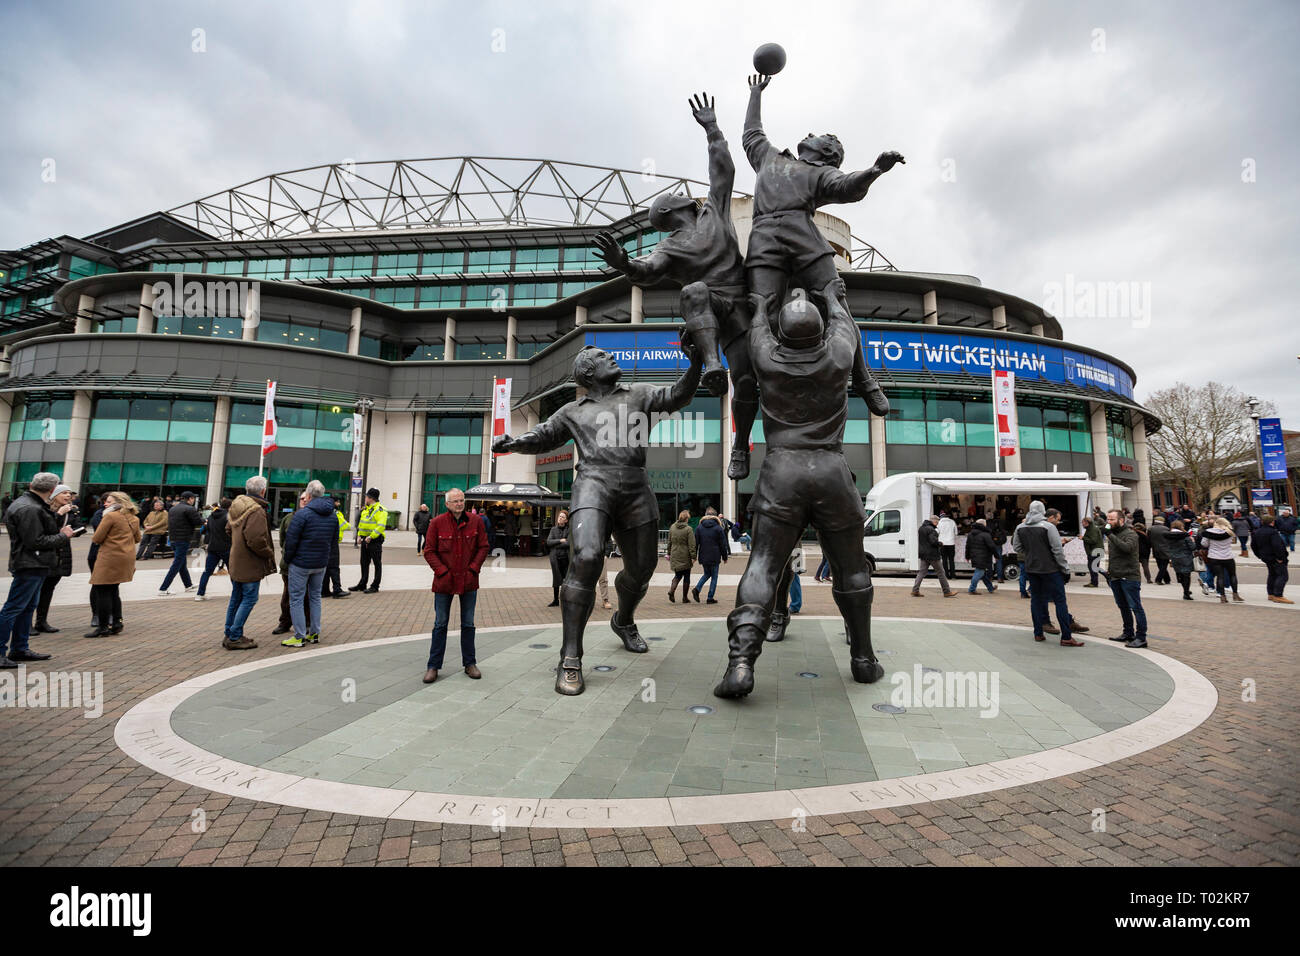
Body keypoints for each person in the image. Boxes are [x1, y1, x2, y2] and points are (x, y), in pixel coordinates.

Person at [492, 342, 704, 695]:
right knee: (587, 557)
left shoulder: (639, 393)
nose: (613, 357)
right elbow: (543, 436)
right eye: (604, 357)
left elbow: (678, 395)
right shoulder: (573, 410)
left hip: (635, 485)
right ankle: (570, 657)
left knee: (643, 567)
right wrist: (514, 442)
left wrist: (696, 361)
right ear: (588, 372)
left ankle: (623, 620)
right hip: (593, 483)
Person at [713, 281, 887, 700]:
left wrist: (761, 304)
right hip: (832, 470)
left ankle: (740, 663)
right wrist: (830, 295)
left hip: (781, 471)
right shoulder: (839, 354)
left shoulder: (767, 358)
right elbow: (845, 320)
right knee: (851, 567)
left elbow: (756, 324)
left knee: (763, 566)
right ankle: (863, 658)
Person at [594, 92, 758, 480]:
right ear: (669, 210)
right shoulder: (669, 246)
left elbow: (724, 171)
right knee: (742, 376)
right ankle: (724, 397)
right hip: (721, 313)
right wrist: (623, 263)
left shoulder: (715, 210)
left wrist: (713, 128)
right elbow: (647, 271)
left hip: (751, 295)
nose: (686, 194)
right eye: (677, 196)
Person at [740, 71, 900, 417]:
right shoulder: (770, 158)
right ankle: (757, 387)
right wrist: (756, 93)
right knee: (760, 311)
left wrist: (875, 170)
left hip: (803, 235)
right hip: (764, 239)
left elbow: (848, 187)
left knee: (835, 302)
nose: (810, 134)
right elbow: (751, 133)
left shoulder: (823, 173)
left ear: (826, 152)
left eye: (820, 136)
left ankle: (863, 378)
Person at [1, 473, 75, 667]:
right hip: (31, 563)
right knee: (15, 608)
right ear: (52, 490)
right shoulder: (30, 508)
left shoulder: (28, 504)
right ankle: (4, 650)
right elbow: (36, 541)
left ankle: (19, 647)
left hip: (33, 563)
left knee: (25, 608)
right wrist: (63, 536)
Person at [422, 487, 489, 683]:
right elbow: (429, 551)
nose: (460, 503)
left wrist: (474, 569)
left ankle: (470, 663)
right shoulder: (436, 523)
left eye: (462, 500)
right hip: (444, 582)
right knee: (440, 624)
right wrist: (442, 571)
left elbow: (483, 547)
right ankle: (433, 666)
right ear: (447, 504)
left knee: (468, 623)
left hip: (468, 581)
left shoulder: (476, 522)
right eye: (456, 501)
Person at [1012, 500, 1083, 647]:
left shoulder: (1020, 527)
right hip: (1050, 569)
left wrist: (1031, 554)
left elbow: (1017, 547)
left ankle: (1038, 633)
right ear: (1043, 511)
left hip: (1032, 568)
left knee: (1036, 601)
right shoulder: (1049, 527)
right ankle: (1066, 636)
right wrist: (1065, 568)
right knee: (1060, 601)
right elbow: (1057, 550)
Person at [282, 480, 337, 648]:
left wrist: (288, 559)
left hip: (300, 563)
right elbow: (333, 541)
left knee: (296, 599)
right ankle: (314, 632)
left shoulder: (302, 515)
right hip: (320, 562)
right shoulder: (333, 515)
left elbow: (290, 542)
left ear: (309, 495)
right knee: (315, 597)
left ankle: (299, 636)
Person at [224, 475, 275, 650]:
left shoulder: (236, 506)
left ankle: (229, 633)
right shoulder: (256, 511)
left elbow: (228, 529)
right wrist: (268, 553)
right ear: (263, 491)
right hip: (250, 563)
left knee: (236, 598)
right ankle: (235, 636)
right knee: (249, 598)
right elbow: (256, 540)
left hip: (236, 560)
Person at [84, 492, 141, 638]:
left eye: (108, 502)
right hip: (126, 557)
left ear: (118, 502)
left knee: (102, 589)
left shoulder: (110, 516)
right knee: (114, 590)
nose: (105, 504)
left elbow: (97, 538)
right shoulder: (134, 518)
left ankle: (103, 627)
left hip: (109, 557)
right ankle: (117, 622)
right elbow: (137, 538)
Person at [34, 483, 82, 633]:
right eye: (64, 493)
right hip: (45, 552)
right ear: (54, 496)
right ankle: (25, 623)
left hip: (61, 552)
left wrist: (74, 531)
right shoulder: (44, 510)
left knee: (49, 589)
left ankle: (41, 621)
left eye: (69, 494)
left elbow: (78, 526)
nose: (68, 496)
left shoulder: (71, 511)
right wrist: (59, 514)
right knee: (35, 590)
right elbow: (42, 529)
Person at [1103, 509, 1148, 648]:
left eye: (1112, 520)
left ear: (1121, 520)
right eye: (1108, 519)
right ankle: (1128, 632)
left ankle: (1141, 637)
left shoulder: (1130, 534)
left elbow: (1127, 548)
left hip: (1129, 576)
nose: (1108, 522)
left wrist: (1110, 535)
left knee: (1136, 607)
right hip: (1115, 576)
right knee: (1123, 606)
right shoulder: (1113, 534)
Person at [158, 491, 202, 595]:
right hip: (183, 539)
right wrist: (205, 521)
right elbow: (198, 522)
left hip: (173, 539)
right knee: (177, 564)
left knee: (182, 563)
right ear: (190, 499)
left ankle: (188, 585)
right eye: (193, 499)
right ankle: (163, 588)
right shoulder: (190, 509)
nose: (193, 501)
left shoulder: (173, 509)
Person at [348, 489, 387, 593]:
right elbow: (362, 523)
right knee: (364, 563)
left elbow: (381, 526)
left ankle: (375, 586)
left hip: (375, 540)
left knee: (377, 563)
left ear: (371, 498)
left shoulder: (380, 510)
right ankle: (362, 584)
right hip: (365, 539)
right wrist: (359, 535)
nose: (365, 498)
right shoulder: (366, 509)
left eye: (366, 497)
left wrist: (371, 536)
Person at [1199, 516, 1243, 604]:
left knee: (1220, 576)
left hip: (1214, 556)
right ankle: (1235, 595)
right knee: (1232, 575)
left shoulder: (1208, 532)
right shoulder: (1229, 532)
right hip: (1228, 556)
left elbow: (1204, 544)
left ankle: (1222, 596)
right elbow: (1232, 542)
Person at [194, 497, 231, 601]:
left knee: (207, 571)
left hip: (212, 547)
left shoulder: (211, 516)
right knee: (233, 572)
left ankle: (200, 594)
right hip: (226, 547)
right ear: (230, 507)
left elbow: (204, 530)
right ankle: (237, 594)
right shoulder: (228, 516)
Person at [692, 507, 730, 604]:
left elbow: (696, 543)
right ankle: (710, 597)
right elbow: (723, 544)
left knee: (707, 574)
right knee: (714, 576)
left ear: (705, 515)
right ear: (715, 516)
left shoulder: (699, 527)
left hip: (703, 555)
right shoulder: (718, 528)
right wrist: (725, 557)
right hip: (715, 555)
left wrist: (694, 556)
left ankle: (697, 589)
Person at [1252, 514, 1292, 604]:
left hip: (1266, 557)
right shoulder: (1273, 532)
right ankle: (1278, 595)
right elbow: (1277, 546)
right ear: (1272, 522)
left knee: (1272, 575)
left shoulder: (1256, 532)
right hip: (1275, 557)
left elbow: (1253, 545)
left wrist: (1259, 555)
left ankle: (1271, 594)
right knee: (1283, 576)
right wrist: (1280, 557)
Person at [912, 515, 956, 598]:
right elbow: (933, 541)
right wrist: (940, 543)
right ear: (934, 521)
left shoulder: (921, 528)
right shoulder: (932, 530)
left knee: (921, 572)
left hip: (923, 554)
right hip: (932, 555)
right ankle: (947, 591)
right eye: (937, 522)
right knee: (941, 573)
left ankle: (915, 590)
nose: (937, 524)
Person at [321, 498, 351, 599]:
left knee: (326, 567)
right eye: (338, 502)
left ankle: (324, 590)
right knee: (334, 567)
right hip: (333, 543)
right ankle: (337, 590)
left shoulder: (321, 512)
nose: (339, 503)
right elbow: (346, 526)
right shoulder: (335, 514)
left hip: (324, 543)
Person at [667, 510, 697, 602]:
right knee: (687, 576)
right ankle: (685, 597)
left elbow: (669, 542)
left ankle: (672, 590)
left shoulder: (672, 527)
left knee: (677, 575)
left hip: (675, 554)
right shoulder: (688, 529)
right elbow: (692, 545)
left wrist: (669, 553)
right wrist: (693, 556)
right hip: (685, 555)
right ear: (686, 518)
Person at [964, 518, 997, 594]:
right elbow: (992, 546)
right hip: (983, 557)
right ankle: (971, 589)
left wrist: (967, 556)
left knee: (983, 573)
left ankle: (990, 588)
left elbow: (967, 546)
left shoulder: (970, 534)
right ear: (983, 525)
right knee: (979, 572)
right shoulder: (986, 534)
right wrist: (996, 555)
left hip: (974, 556)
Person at [1165, 520, 1197, 599]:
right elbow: (1192, 547)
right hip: (1185, 557)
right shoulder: (1185, 536)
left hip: (1174, 557)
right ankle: (1186, 593)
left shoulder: (1168, 536)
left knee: (1180, 574)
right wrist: (1193, 541)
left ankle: (1185, 590)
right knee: (1186, 575)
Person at [547, 510, 570, 607]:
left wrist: (555, 544)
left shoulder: (569, 530)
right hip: (555, 558)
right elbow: (548, 542)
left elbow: (568, 543)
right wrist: (560, 540)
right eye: (559, 516)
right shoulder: (553, 529)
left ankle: (566, 600)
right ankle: (556, 600)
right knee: (556, 579)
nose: (560, 518)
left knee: (566, 580)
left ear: (566, 520)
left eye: (562, 517)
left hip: (566, 558)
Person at [1080, 516, 1104, 587]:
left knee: (1093, 567)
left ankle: (1095, 582)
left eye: (1083, 523)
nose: (1082, 524)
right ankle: (1094, 582)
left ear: (1087, 523)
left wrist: (1083, 538)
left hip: (1095, 551)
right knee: (1093, 567)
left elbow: (1093, 540)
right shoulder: (1090, 528)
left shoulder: (1092, 529)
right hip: (1095, 551)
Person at [1149, 515, 1173, 585]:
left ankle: (1167, 579)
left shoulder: (1150, 529)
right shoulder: (1166, 529)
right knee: (1164, 565)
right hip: (1165, 549)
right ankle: (1158, 579)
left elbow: (1149, 539)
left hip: (1155, 549)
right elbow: (1169, 539)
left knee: (1160, 565)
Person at [936, 511, 958, 579]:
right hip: (951, 543)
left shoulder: (939, 523)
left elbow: (936, 532)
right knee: (951, 560)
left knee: (944, 560)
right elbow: (956, 533)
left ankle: (946, 575)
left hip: (942, 544)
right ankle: (953, 575)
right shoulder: (952, 522)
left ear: (940, 517)